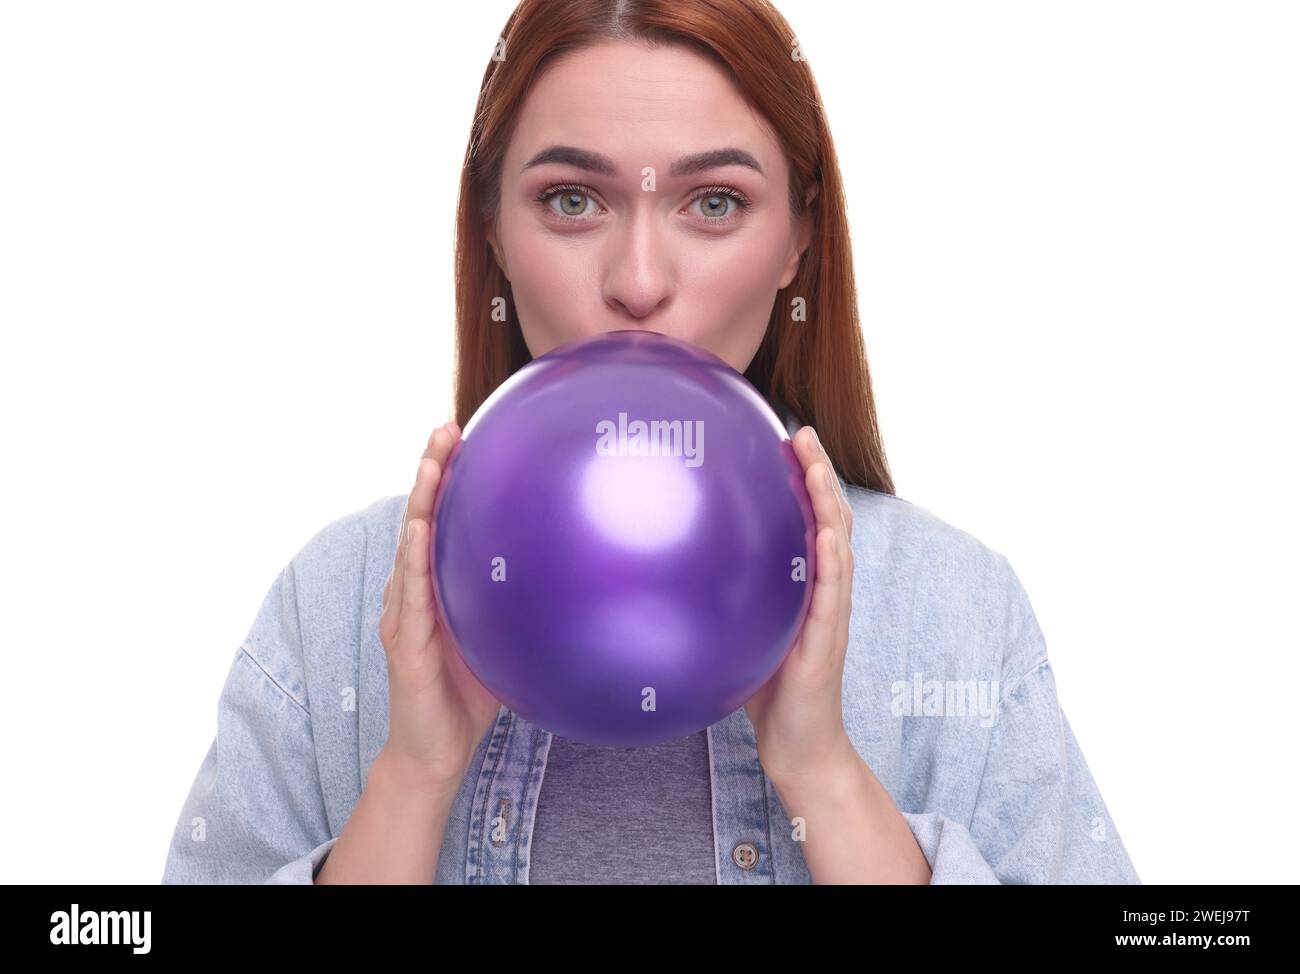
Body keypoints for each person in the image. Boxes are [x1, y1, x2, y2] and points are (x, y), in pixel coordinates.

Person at [162, 0, 1140, 884]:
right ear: (493, 228)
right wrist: (411, 777)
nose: (637, 280)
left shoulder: (955, 610)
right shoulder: (333, 605)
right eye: (571, 200)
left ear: (799, 233)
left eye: (713, 201)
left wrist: (823, 773)